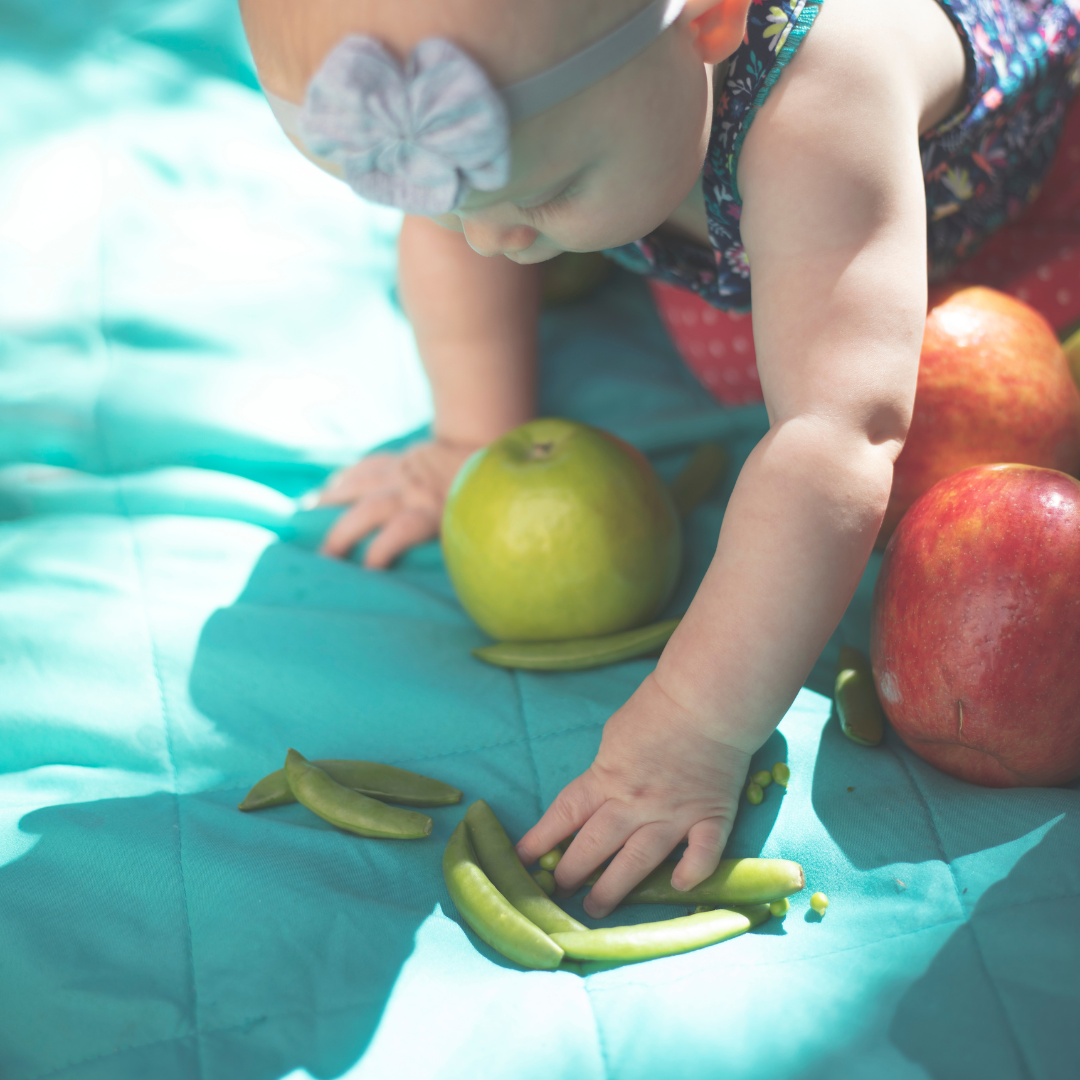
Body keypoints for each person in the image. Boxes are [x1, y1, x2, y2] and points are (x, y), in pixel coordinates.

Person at [238, 0, 1080, 918]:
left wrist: (694, 724)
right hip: (716, 148)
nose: (486, 238)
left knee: (878, 364)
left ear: (710, 20)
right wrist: (466, 441)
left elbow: (833, 439)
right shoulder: (564, 117)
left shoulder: (823, 104)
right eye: (440, 198)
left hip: (1016, 170)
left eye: (547, 192)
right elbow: (463, 212)